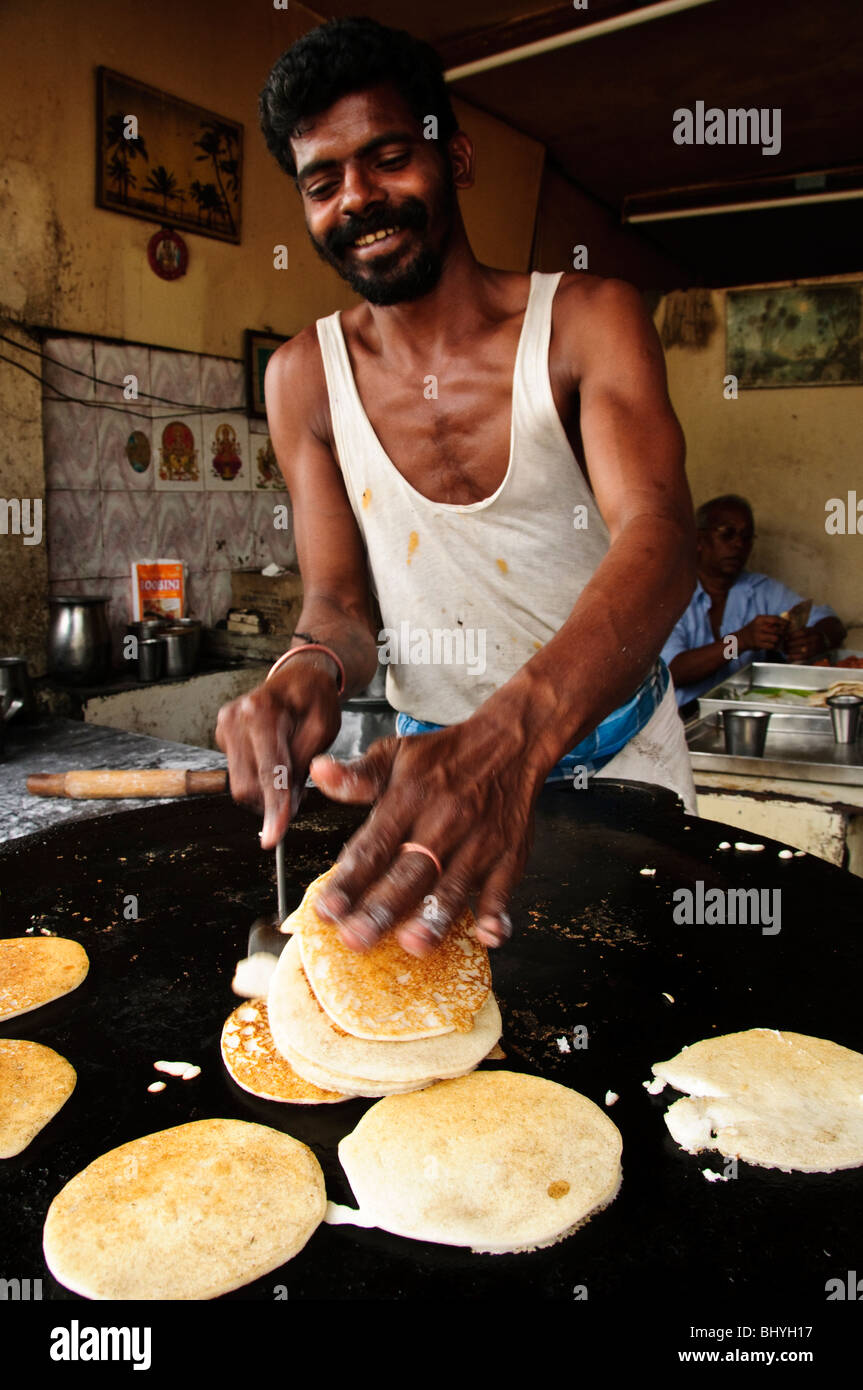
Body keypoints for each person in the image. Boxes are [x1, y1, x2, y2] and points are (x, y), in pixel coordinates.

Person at [216, 17, 696, 960]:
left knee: (638, 1041)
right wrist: (302, 671)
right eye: (323, 182)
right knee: (456, 1071)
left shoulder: (587, 322)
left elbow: (662, 533)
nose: (357, 199)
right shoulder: (302, 378)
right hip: (432, 788)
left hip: (622, 769)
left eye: (387, 157)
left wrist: (513, 740)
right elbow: (341, 607)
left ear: (456, 157)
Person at [662, 494, 846, 707]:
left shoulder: (760, 590)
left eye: (746, 536)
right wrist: (739, 642)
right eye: (727, 534)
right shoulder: (670, 594)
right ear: (699, 540)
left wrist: (817, 638)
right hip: (685, 717)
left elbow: (831, 621)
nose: (738, 544)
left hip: (748, 711)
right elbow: (673, 670)